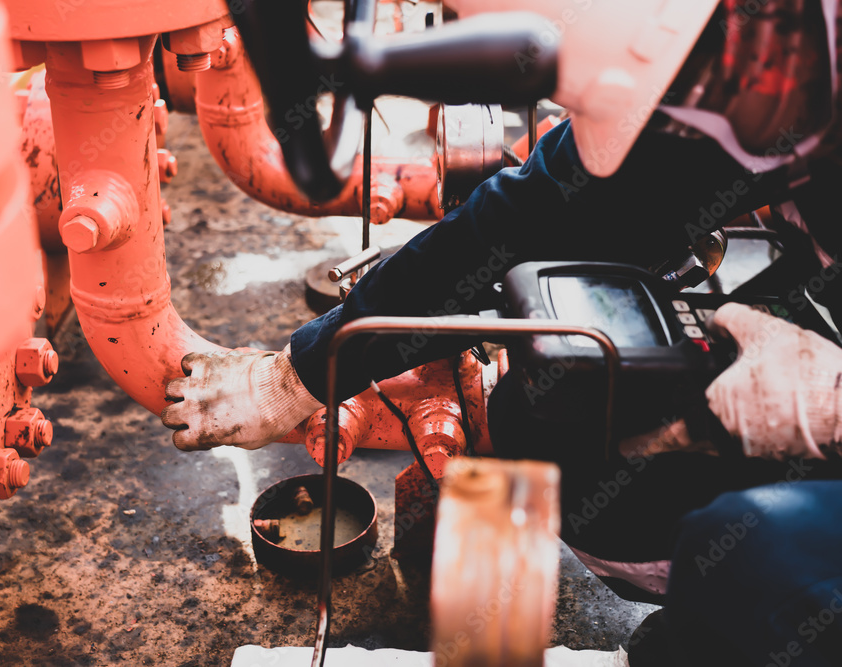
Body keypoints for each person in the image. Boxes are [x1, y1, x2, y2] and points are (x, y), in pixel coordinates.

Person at [163, 1, 842, 664]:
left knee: (764, 554)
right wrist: (299, 376)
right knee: (557, 421)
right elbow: (520, 218)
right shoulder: (728, 62)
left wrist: (829, 402)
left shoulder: (748, 59)